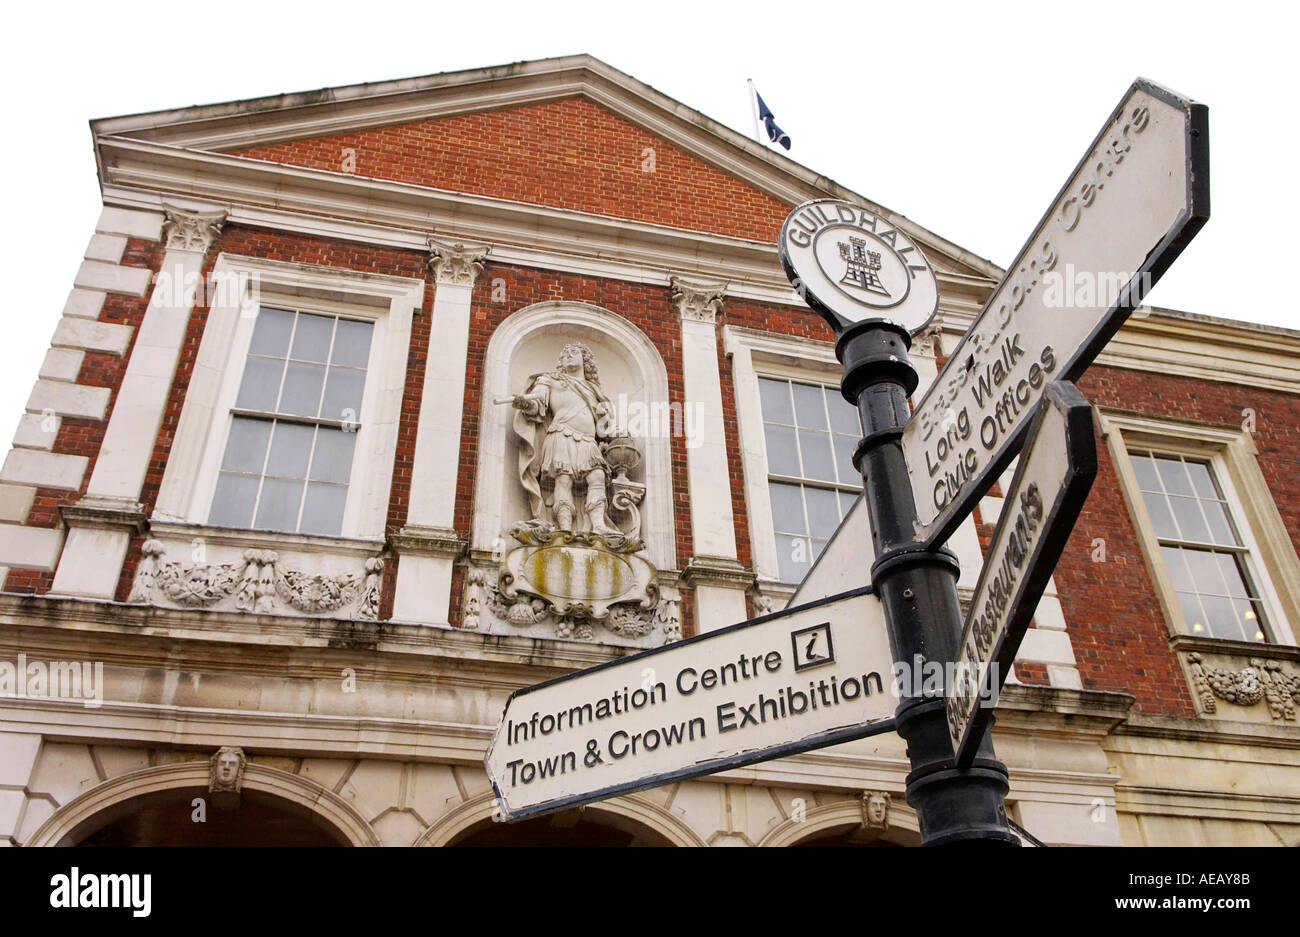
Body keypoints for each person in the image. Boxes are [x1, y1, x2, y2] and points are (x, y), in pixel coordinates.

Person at [512, 343, 618, 535]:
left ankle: (599, 525)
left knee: (597, 477)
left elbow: (604, 431)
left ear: (585, 360)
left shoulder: (593, 389)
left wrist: (604, 416)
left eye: (574, 352)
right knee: (563, 480)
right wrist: (526, 403)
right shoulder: (550, 380)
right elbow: (538, 403)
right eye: (565, 354)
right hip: (561, 434)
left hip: (588, 440)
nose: (568, 356)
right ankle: (565, 528)